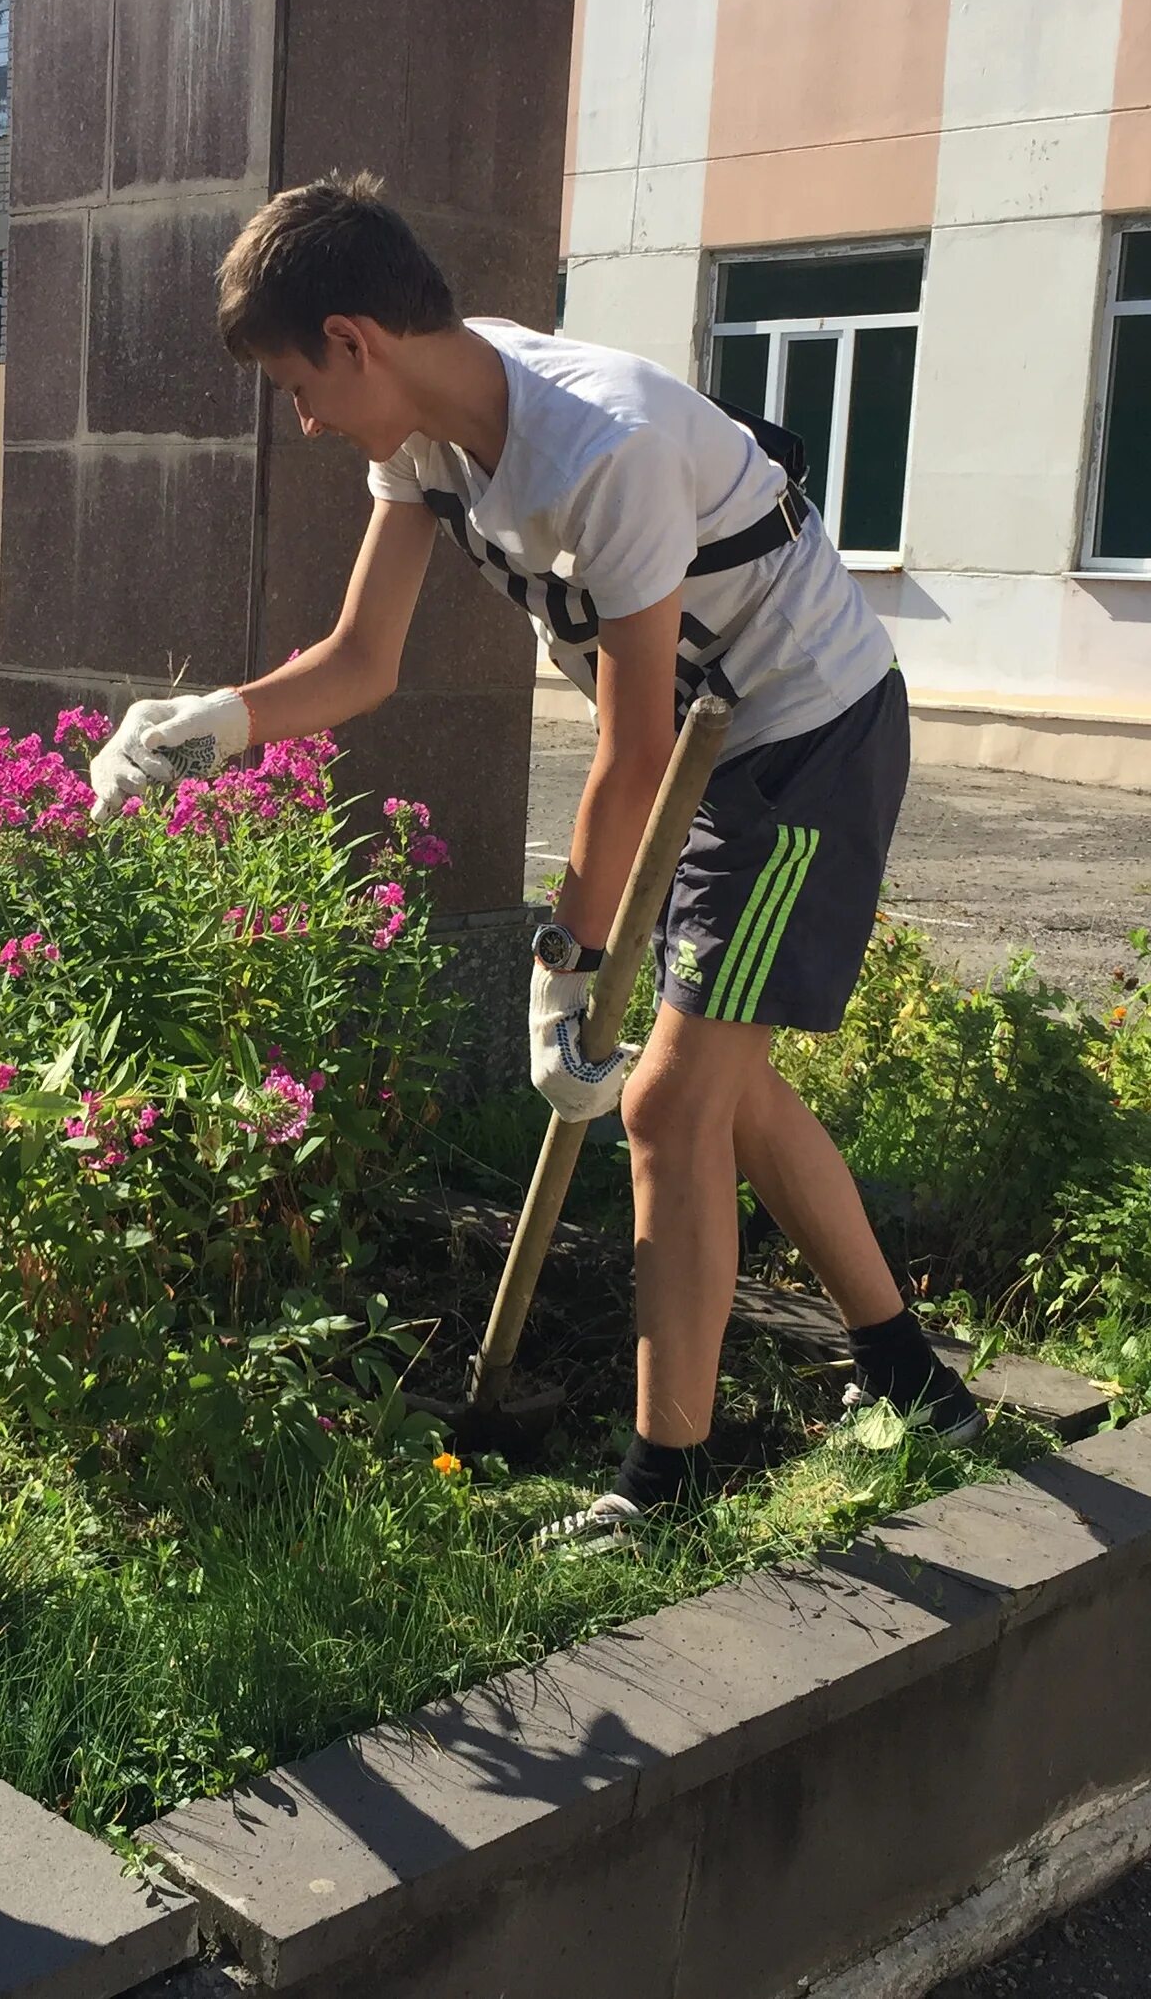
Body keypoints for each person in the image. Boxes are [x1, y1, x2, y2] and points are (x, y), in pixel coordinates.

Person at [89, 176, 982, 1548]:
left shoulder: (600, 447)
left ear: (355, 337)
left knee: (661, 1110)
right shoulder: (432, 439)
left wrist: (562, 968)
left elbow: (629, 758)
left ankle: (664, 1480)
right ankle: (913, 1374)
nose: (310, 422)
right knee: (723, 1094)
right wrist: (214, 724)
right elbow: (360, 660)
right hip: (710, 746)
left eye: (300, 387)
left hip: (802, 748)